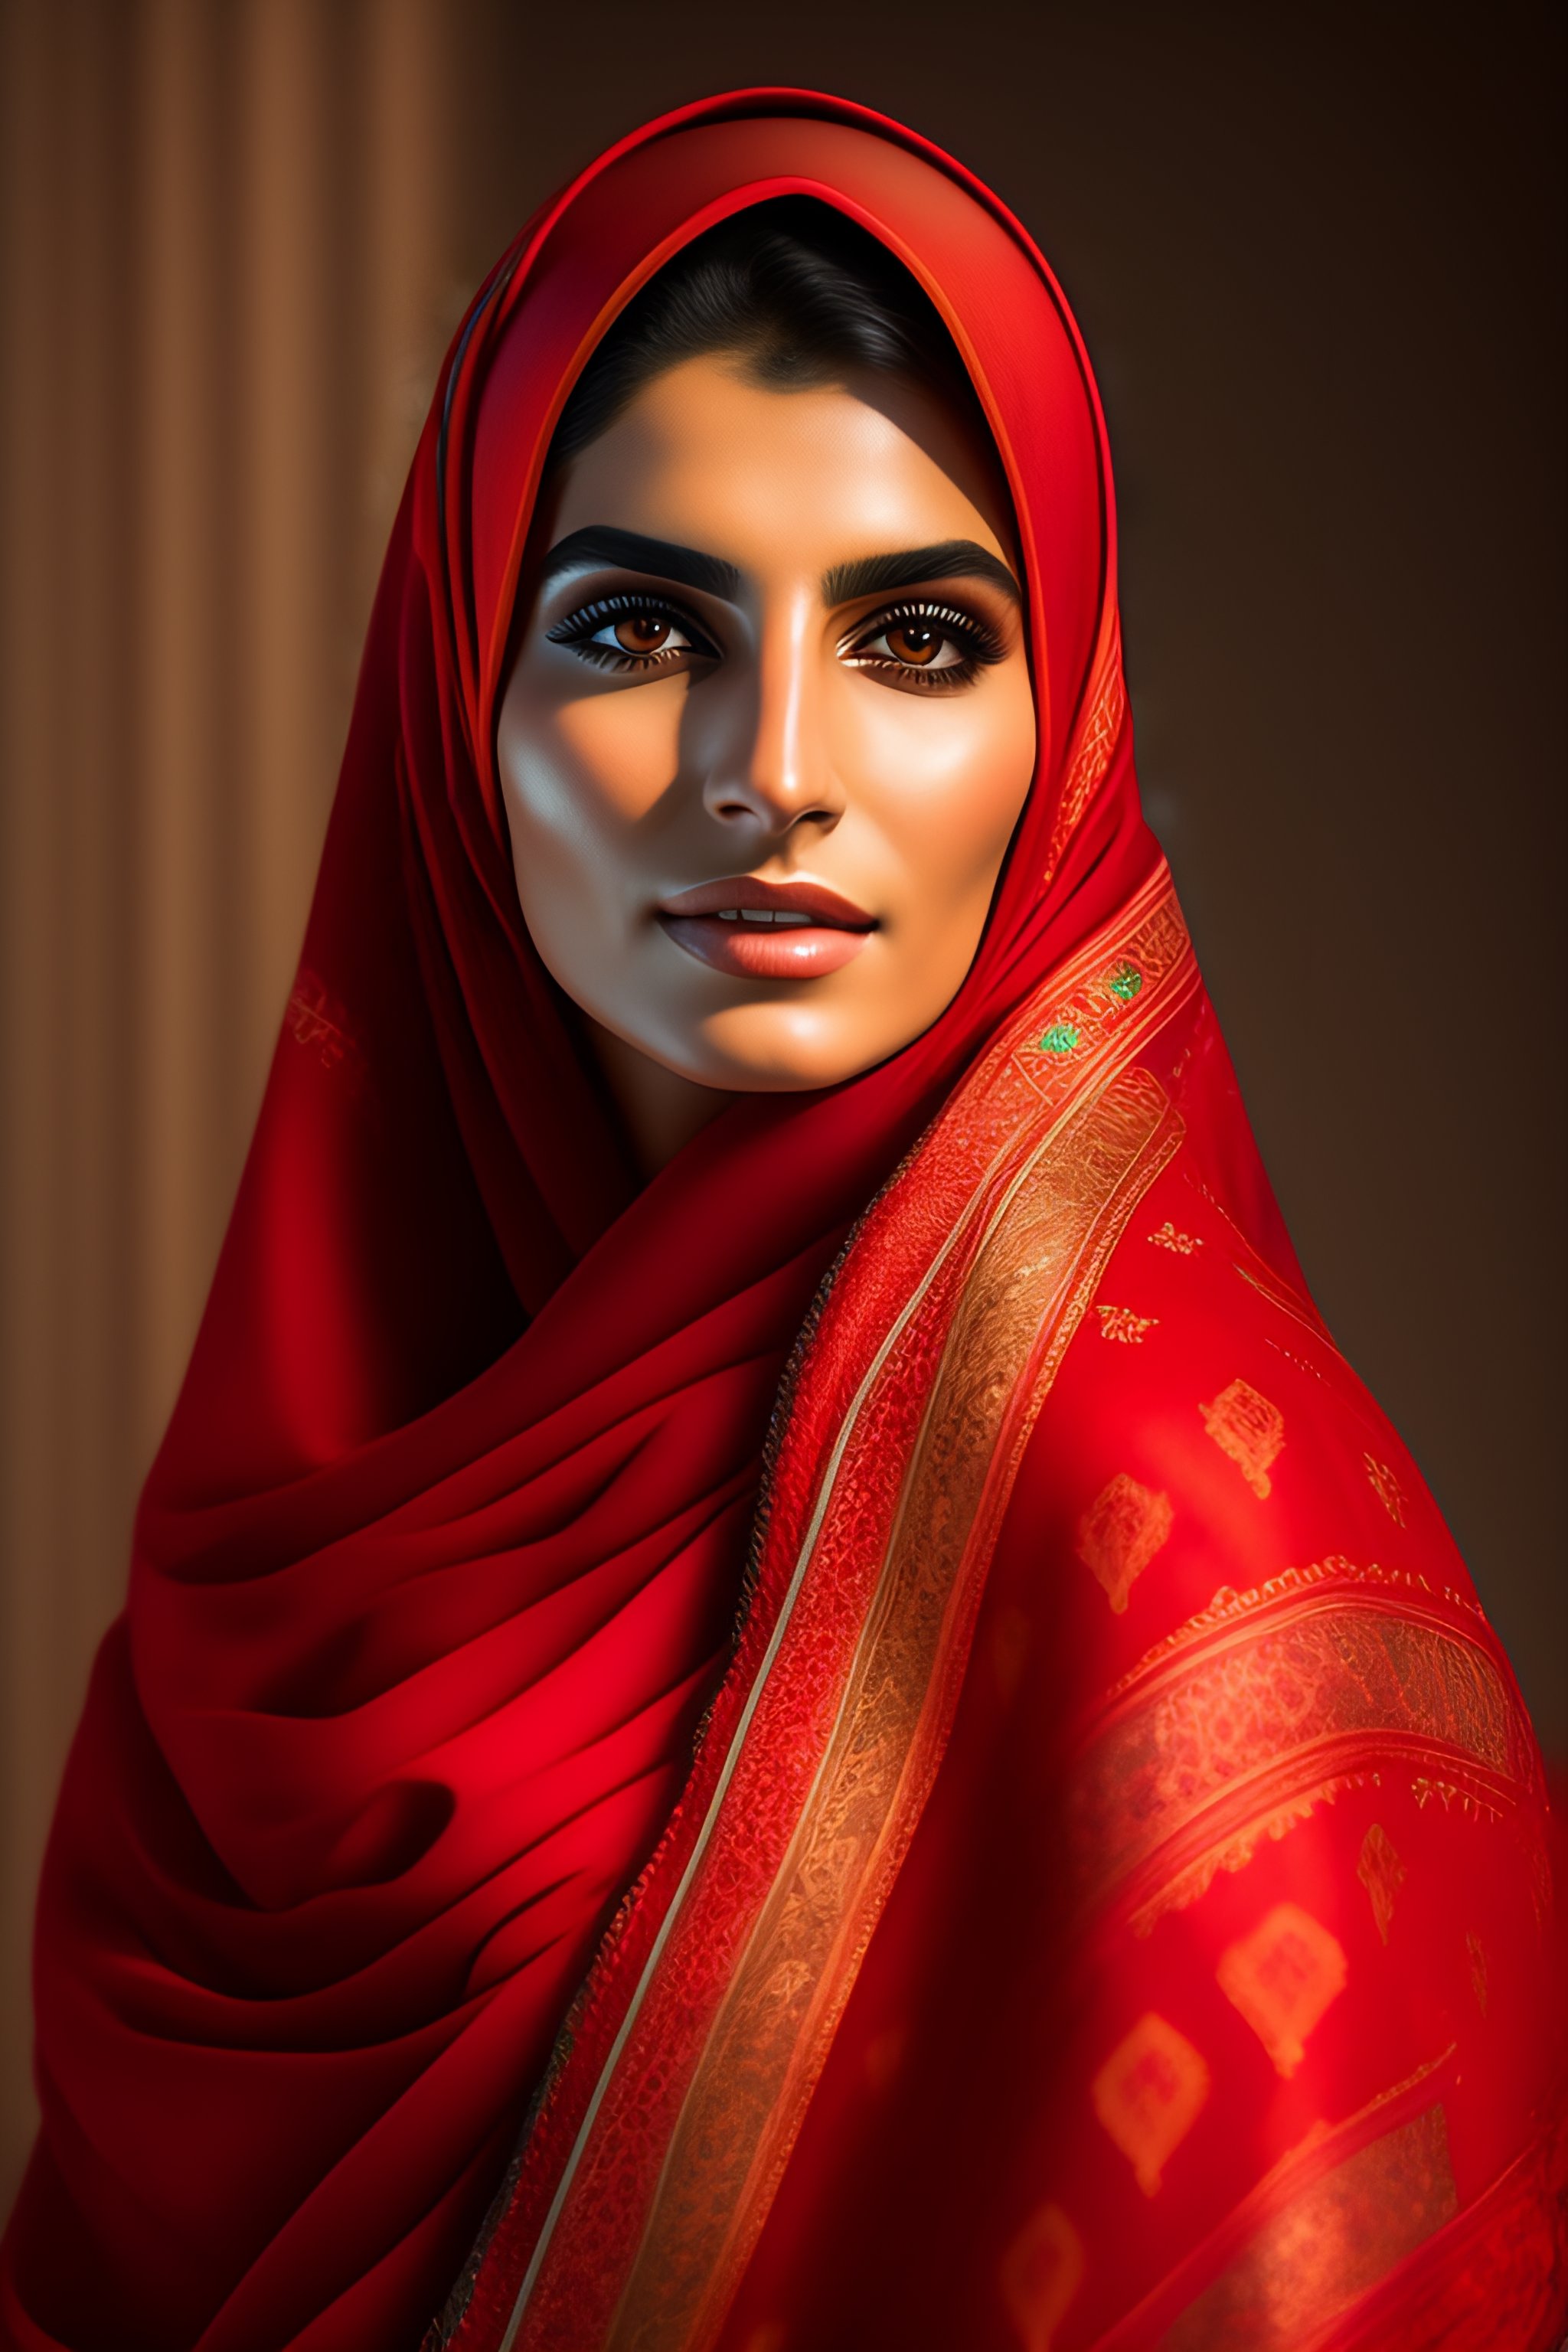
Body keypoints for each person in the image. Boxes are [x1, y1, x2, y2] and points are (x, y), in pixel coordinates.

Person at [2, 89, 1562, 2352]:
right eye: (639, 625)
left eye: (921, 639)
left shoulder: (1192, 1533)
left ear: (1071, 729)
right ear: (456, 707)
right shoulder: (302, 1519)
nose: (777, 762)